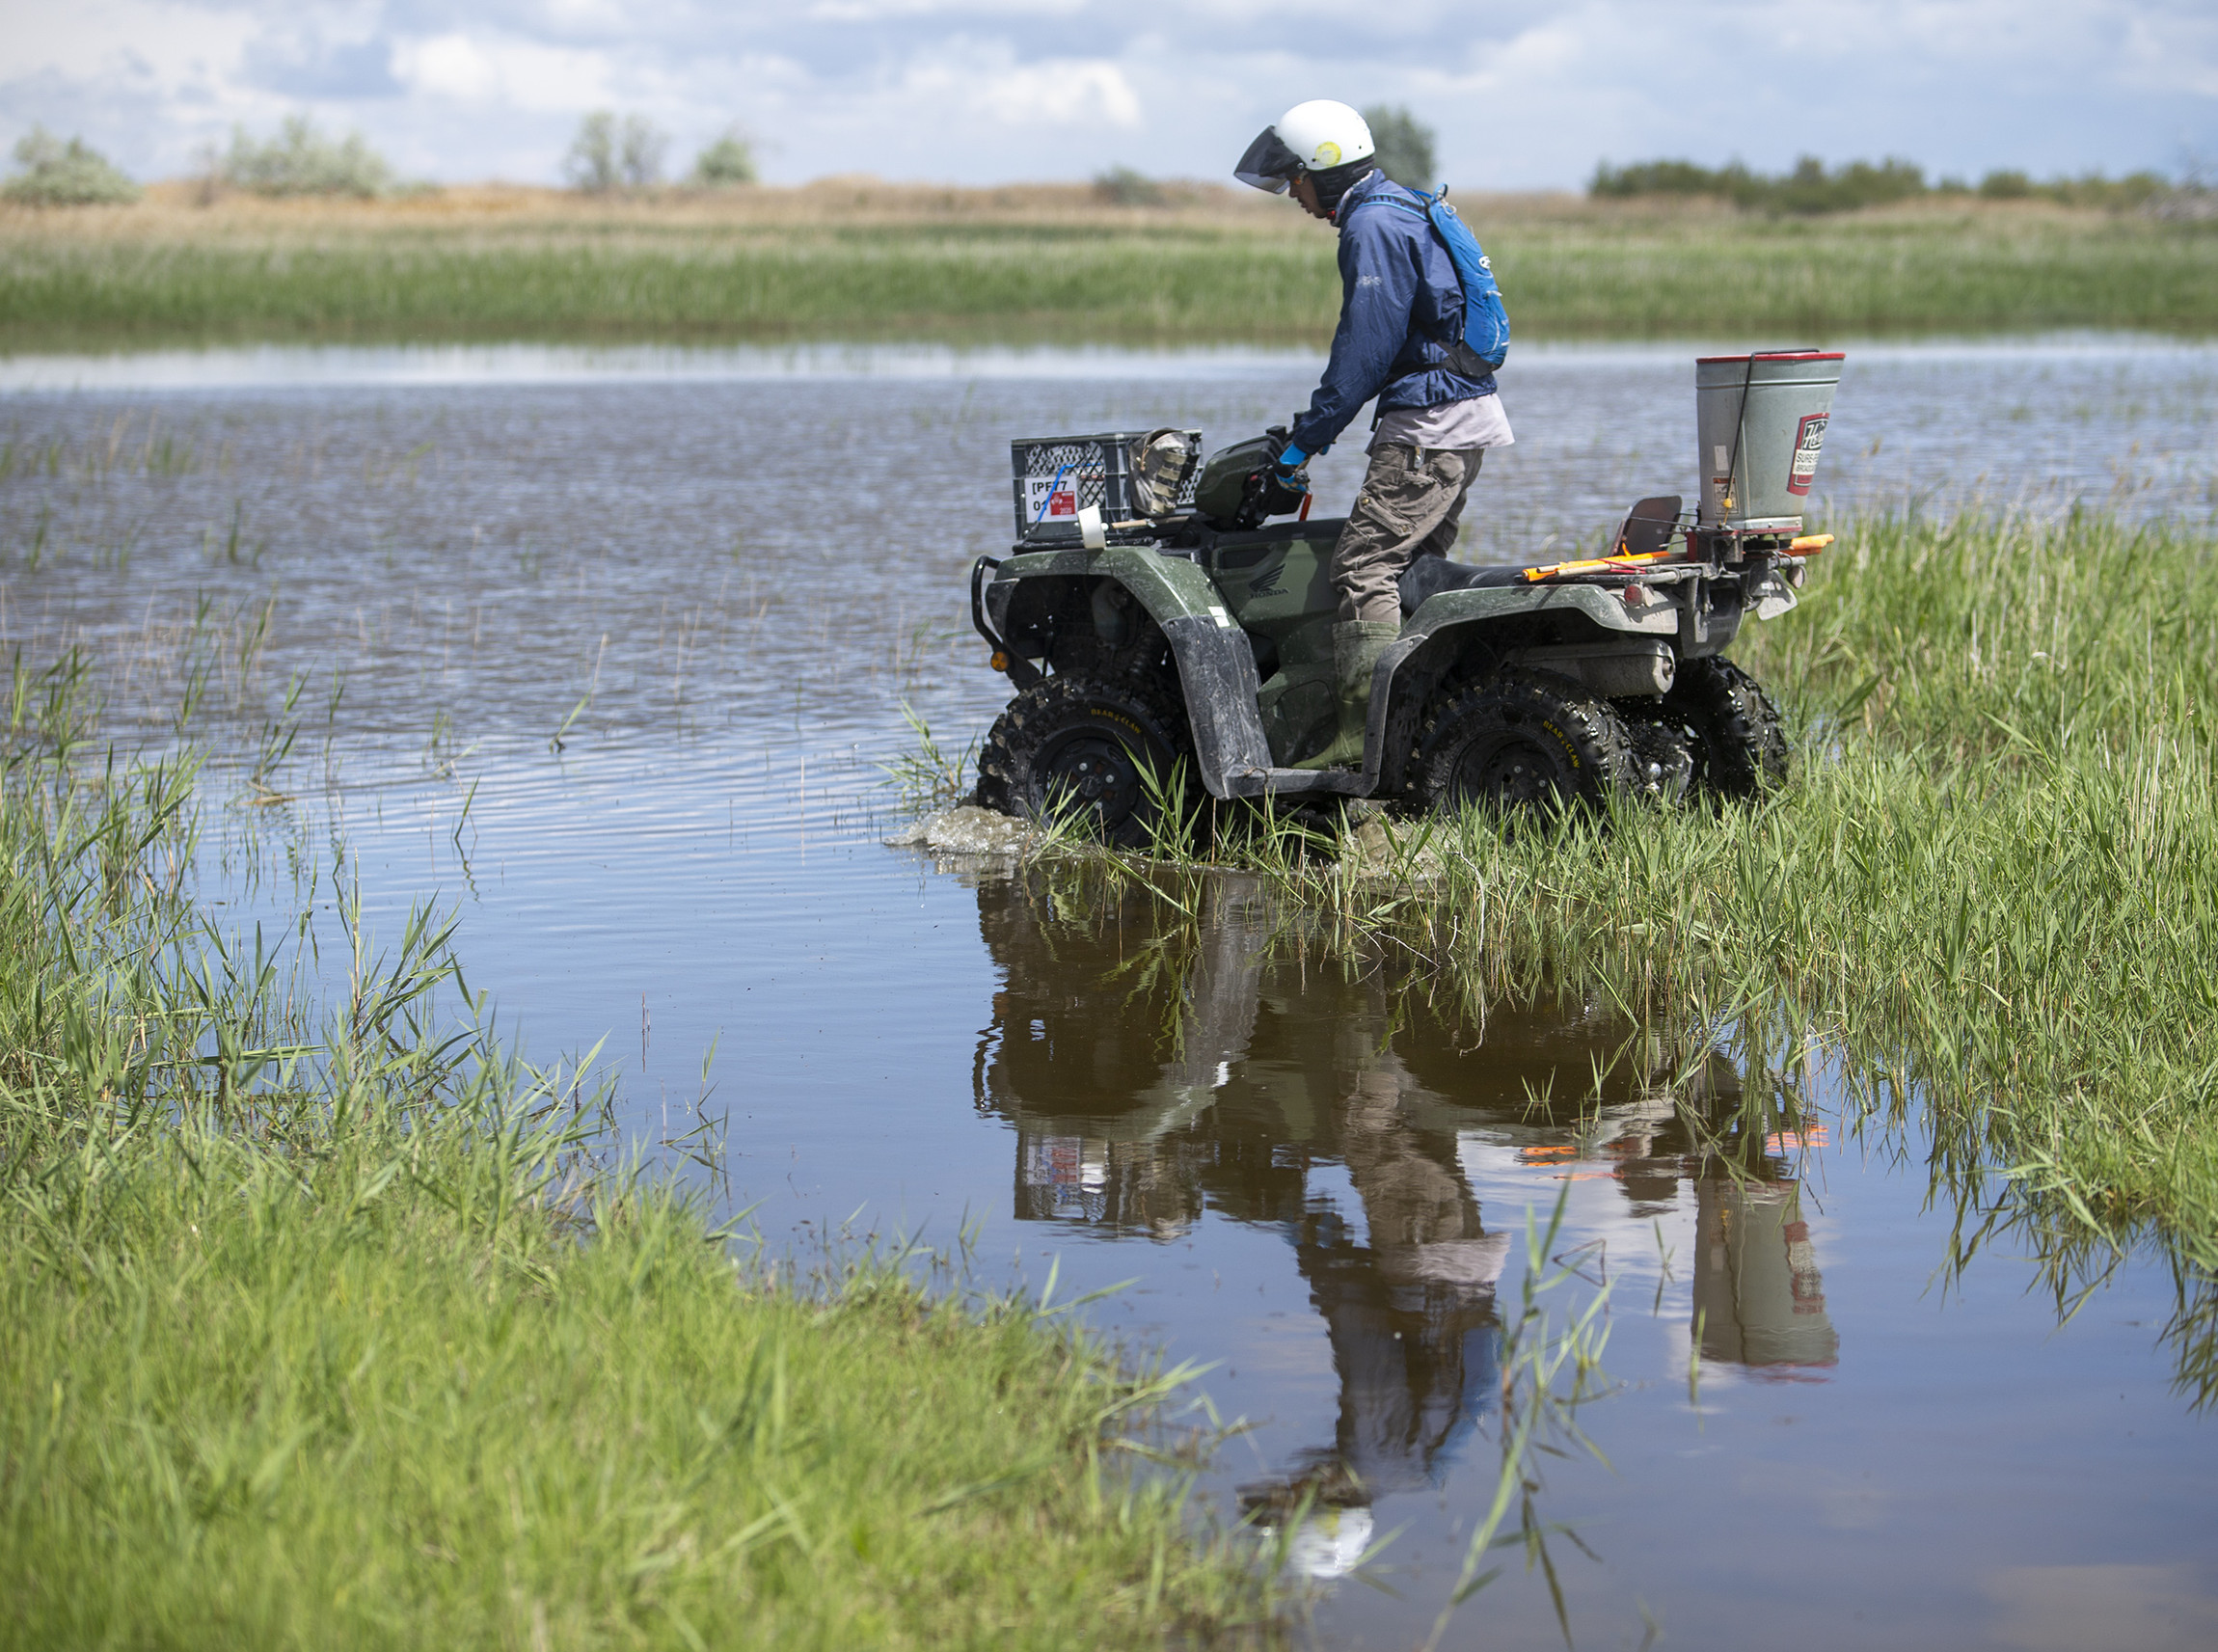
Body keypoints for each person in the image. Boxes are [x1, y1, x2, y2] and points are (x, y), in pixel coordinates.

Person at [1234, 99, 1514, 769]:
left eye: (1295, 180)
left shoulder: (1373, 225)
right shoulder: (1401, 206)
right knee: (1413, 575)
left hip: (1426, 424)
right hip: (1457, 419)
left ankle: (1364, 747)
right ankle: (1425, 730)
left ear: (1321, 170)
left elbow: (1365, 350)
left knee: (1364, 568)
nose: (1294, 197)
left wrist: (1306, 441)